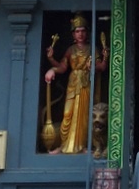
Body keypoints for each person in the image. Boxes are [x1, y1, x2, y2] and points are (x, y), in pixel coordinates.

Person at [44, 13, 109, 154]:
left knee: (84, 115)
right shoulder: (70, 50)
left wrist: (103, 60)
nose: (80, 34)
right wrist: (51, 63)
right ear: (73, 34)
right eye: (77, 31)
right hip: (73, 84)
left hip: (85, 83)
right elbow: (63, 67)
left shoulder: (93, 49)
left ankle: (82, 146)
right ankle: (64, 145)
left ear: (87, 33)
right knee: (67, 114)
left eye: (83, 31)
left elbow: (101, 68)